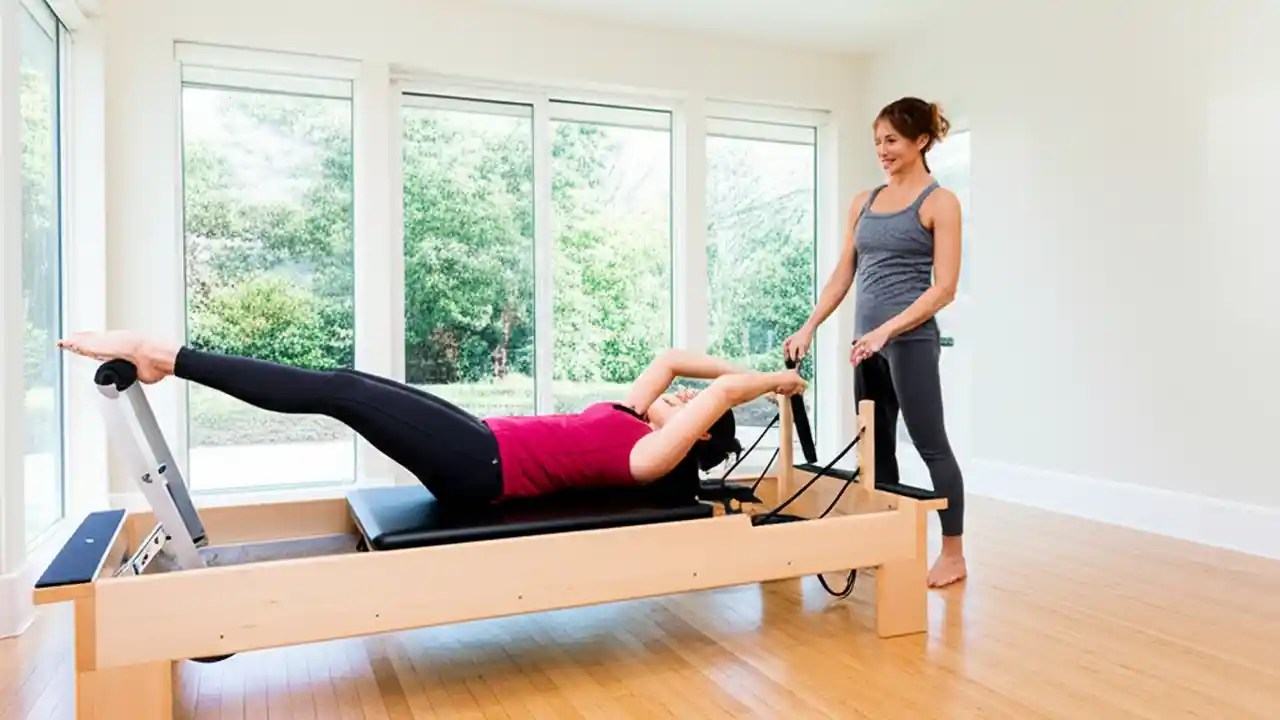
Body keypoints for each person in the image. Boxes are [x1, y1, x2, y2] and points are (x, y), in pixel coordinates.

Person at [56, 330, 807, 504]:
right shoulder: (632, 415)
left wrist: (780, 383)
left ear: (696, 435)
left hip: (480, 470)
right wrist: (741, 371)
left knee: (339, 392)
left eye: (691, 410)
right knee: (355, 380)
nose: (682, 395)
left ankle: (165, 356)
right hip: (480, 438)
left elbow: (718, 397)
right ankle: (165, 357)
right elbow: (673, 358)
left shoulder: (652, 457)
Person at [783, 96, 967, 588]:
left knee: (931, 445)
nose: (882, 150)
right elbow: (844, 272)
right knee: (875, 448)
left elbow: (944, 288)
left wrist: (888, 330)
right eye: (878, 141)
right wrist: (810, 325)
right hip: (866, 344)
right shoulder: (863, 203)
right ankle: (884, 544)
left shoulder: (940, 203)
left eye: (892, 140)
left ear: (921, 140)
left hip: (910, 342)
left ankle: (953, 553)